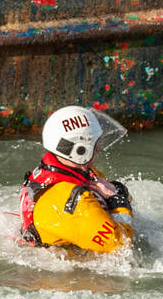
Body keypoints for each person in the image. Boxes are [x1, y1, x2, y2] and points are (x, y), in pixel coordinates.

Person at [19, 106, 134, 253]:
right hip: (66, 274)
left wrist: (117, 191)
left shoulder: (55, 170)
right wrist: (118, 201)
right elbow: (122, 247)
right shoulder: (78, 201)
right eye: (93, 144)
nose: (98, 149)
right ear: (80, 150)